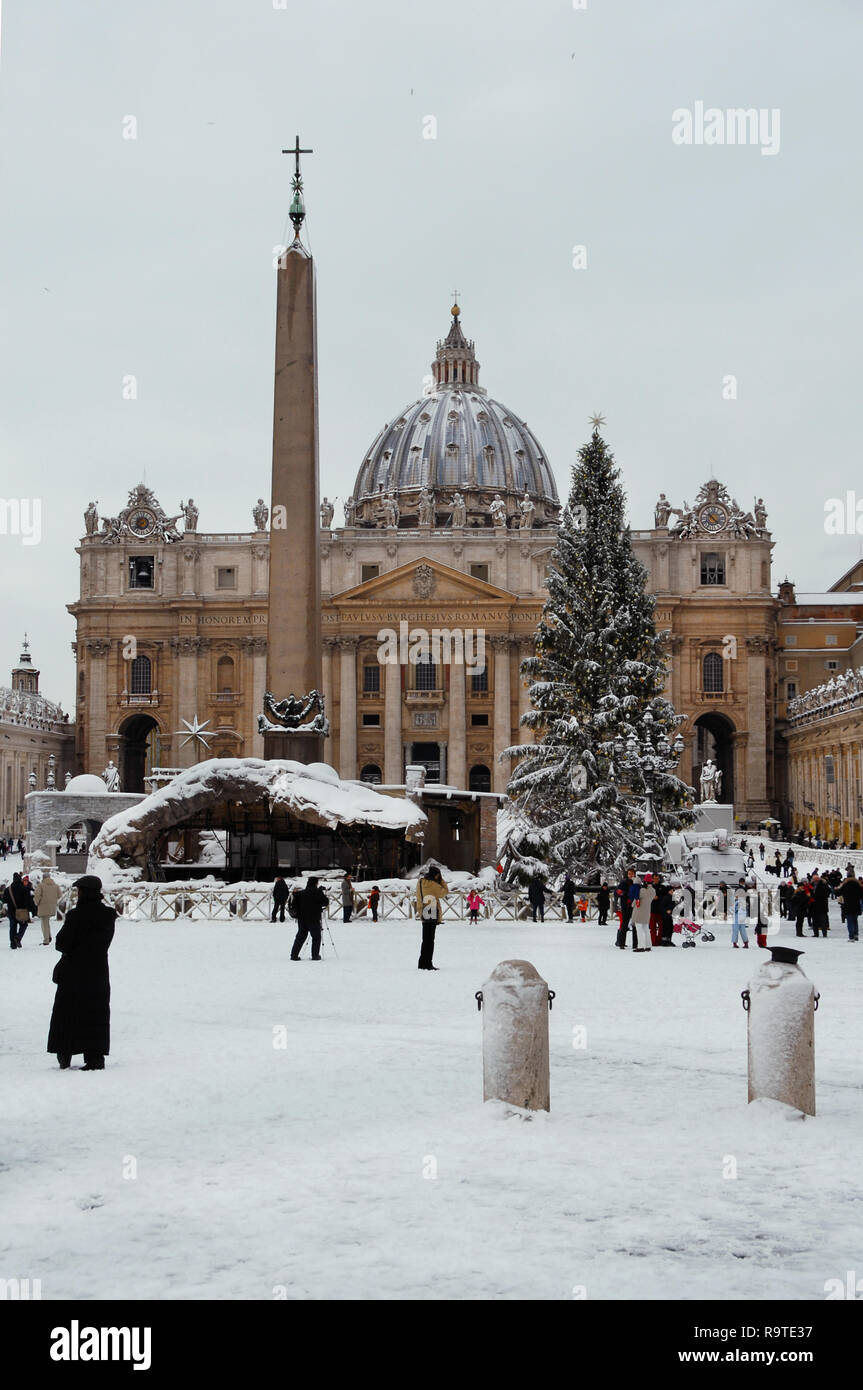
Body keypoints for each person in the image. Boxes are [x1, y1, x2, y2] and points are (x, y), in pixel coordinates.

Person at [47, 875, 115, 1070]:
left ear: (84, 892)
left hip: (74, 972)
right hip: (98, 971)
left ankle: (65, 1051)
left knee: (68, 1013)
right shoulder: (108, 916)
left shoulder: (77, 916)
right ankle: (95, 1057)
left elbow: (62, 943)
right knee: (96, 1013)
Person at [290, 877, 329, 961]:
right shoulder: (317, 892)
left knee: (300, 936)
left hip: (302, 918)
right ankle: (315, 955)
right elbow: (325, 902)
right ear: (316, 883)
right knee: (316, 937)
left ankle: (294, 955)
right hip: (314, 918)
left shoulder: (301, 893)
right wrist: (321, 892)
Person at [416, 865, 448, 970]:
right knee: (430, 940)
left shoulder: (420, 882)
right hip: (432, 911)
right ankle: (428, 963)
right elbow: (444, 892)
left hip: (423, 910)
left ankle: (422, 963)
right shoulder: (434, 885)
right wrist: (442, 880)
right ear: (436, 875)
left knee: (425, 940)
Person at [4, 871, 35, 949]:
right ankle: (17, 938)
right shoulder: (24, 889)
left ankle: (13, 944)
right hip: (22, 911)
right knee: (24, 925)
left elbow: (4, 900)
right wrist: (32, 909)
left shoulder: (8, 889)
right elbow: (29, 900)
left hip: (11, 911)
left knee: (12, 927)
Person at [33, 869, 61, 945]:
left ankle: (46, 940)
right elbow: (59, 895)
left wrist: (36, 903)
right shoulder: (55, 885)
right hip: (52, 907)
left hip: (43, 906)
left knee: (44, 924)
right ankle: (49, 936)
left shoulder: (41, 885)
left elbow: (37, 895)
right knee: (47, 922)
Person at [629, 873, 653, 952]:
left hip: (639, 911)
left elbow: (635, 899)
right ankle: (648, 945)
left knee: (639, 929)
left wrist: (632, 904)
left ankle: (640, 946)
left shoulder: (642, 890)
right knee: (646, 929)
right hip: (647, 911)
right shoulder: (653, 891)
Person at [837, 872, 861, 942]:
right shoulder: (857, 884)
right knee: (855, 921)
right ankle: (856, 934)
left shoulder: (845, 884)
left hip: (848, 905)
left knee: (850, 921)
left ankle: (851, 937)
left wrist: (836, 890)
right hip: (856, 905)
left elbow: (839, 893)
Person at [615, 868, 635, 948]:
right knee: (624, 924)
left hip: (634, 906)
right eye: (629, 873)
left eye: (632, 873)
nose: (630, 875)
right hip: (625, 906)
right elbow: (618, 892)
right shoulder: (624, 882)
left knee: (634, 925)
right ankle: (621, 943)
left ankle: (635, 944)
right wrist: (624, 894)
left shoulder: (636, 882)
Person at [810, 873, 830, 937]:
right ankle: (816, 933)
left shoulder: (823, 884)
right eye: (814, 879)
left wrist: (817, 896)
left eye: (816, 879)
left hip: (822, 905)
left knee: (823, 920)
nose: (815, 880)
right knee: (814, 920)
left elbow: (827, 893)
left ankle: (824, 933)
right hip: (813, 905)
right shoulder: (811, 885)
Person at [731, 883, 750, 948]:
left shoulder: (739, 901)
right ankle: (745, 943)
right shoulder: (739, 901)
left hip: (738, 919)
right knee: (743, 931)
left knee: (736, 931)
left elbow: (734, 910)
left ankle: (735, 943)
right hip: (741, 918)